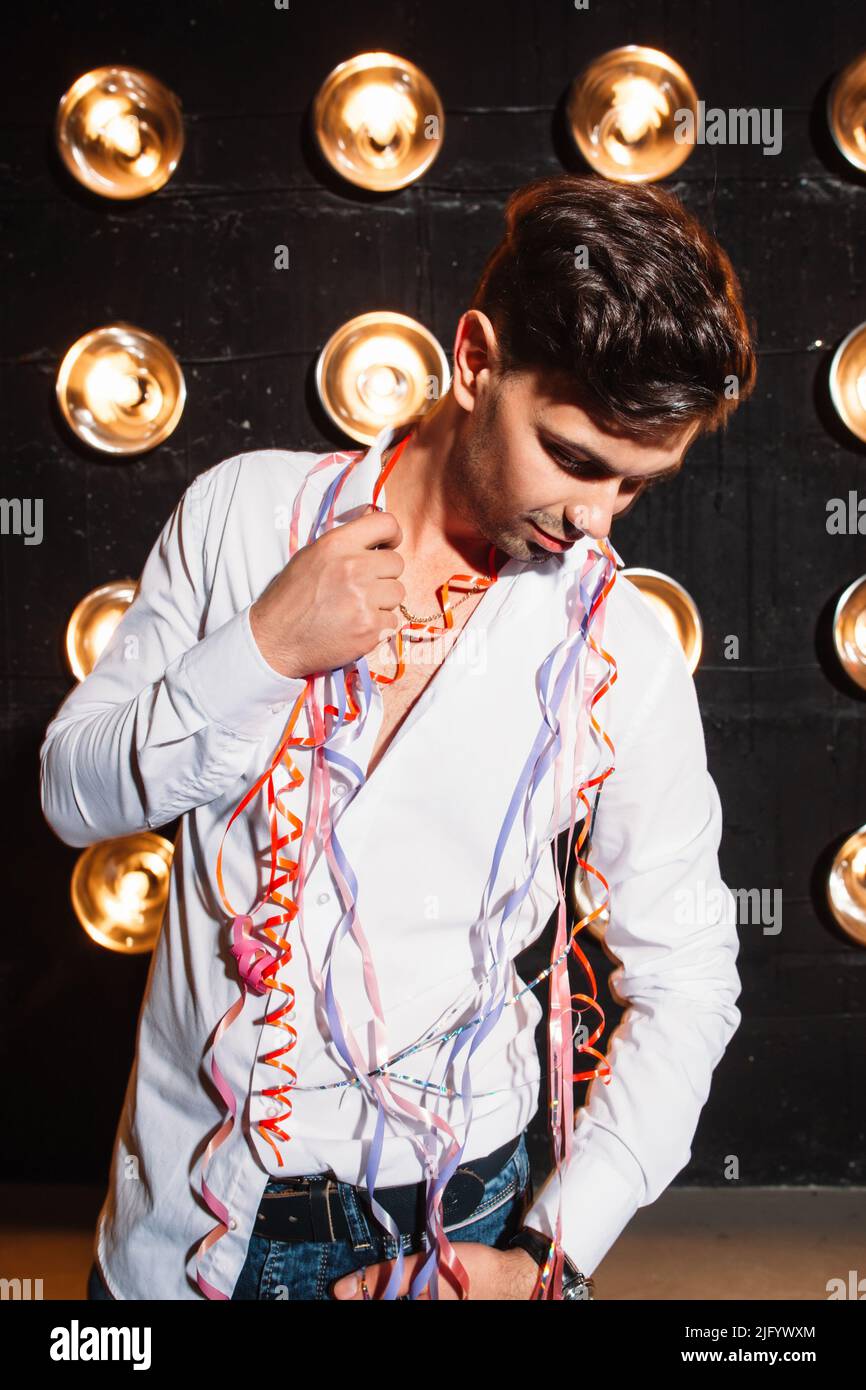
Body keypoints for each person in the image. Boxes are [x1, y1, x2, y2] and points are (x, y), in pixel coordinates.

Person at [41, 172, 756, 1301]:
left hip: (453, 1224)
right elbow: (75, 795)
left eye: (636, 483)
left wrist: (548, 1253)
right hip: (186, 1223)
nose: (593, 521)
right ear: (473, 360)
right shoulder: (242, 515)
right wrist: (262, 651)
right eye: (571, 457)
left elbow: (691, 977)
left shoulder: (622, 645)